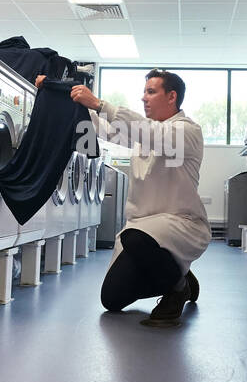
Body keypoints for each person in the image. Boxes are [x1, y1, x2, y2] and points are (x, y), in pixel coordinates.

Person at [69, 70, 210, 327]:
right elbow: (106, 130)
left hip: (179, 222)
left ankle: (177, 287)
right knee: (111, 298)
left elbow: (152, 134)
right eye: (144, 91)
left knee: (135, 237)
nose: (143, 98)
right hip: (143, 229)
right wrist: (69, 102)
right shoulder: (143, 134)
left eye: (151, 91)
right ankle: (180, 273)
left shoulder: (187, 132)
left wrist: (100, 104)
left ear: (172, 96)